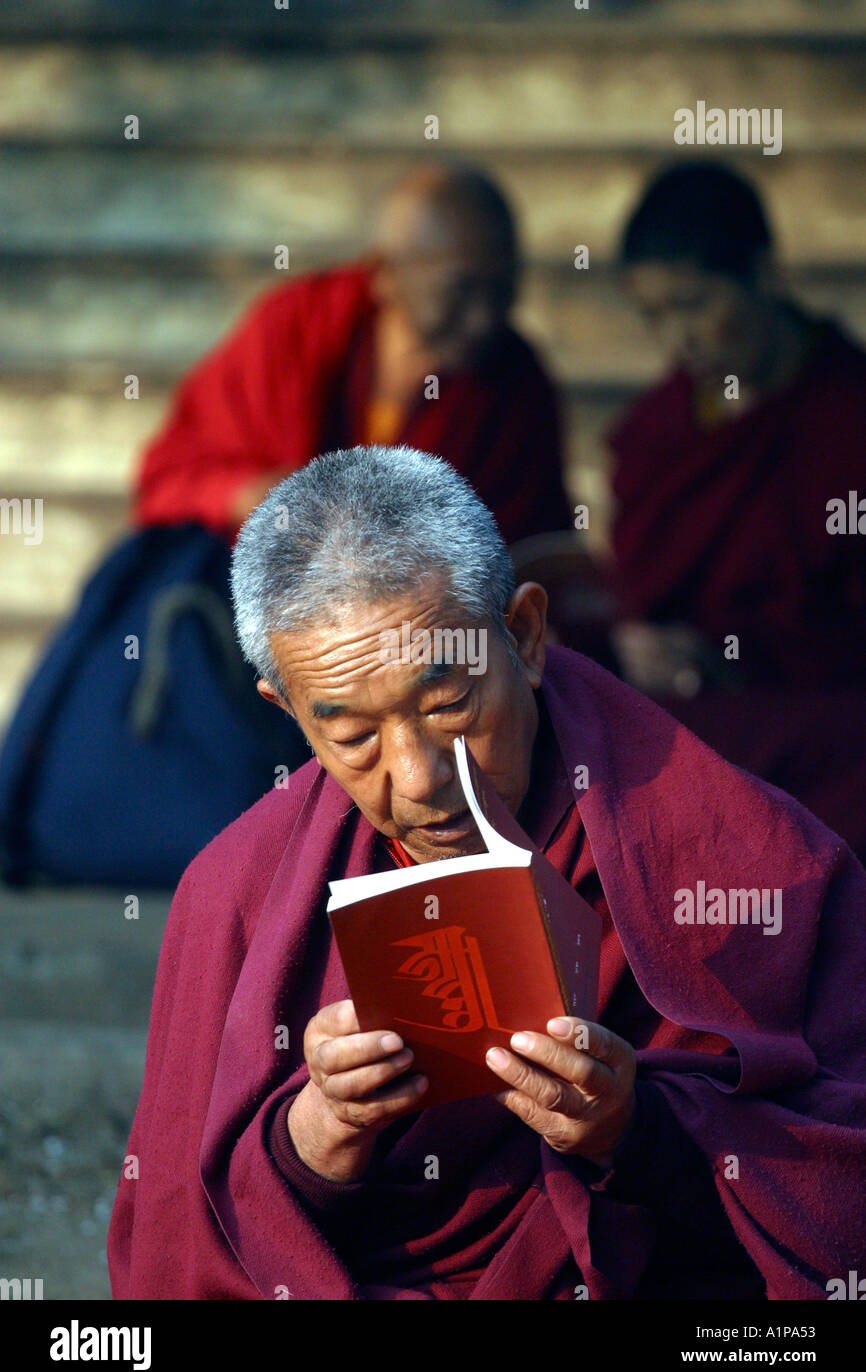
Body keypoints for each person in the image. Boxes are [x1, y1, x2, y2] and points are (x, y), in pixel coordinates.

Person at [108, 445, 866, 1301]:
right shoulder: (233, 893)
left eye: (449, 705)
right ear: (289, 713)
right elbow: (169, 1250)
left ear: (526, 637)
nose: (420, 775)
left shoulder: (736, 849)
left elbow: (839, 1186)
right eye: (353, 736)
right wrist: (315, 1139)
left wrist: (636, 1130)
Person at [607, 159, 866, 858]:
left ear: (762, 273)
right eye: (654, 316)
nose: (676, 341)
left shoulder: (847, 412)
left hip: (814, 717)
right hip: (684, 713)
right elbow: (637, 586)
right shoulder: (661, 429)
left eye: (692, 306)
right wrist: (638, 642)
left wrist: (738, 661)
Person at [132, 160, 570, 546]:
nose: (484, 319)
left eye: (503, 289)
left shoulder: (517, 384)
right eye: (459, 290)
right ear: (385, 274)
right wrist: (256, 496)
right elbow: (170, 475)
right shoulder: (296, 329)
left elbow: (533, 549)